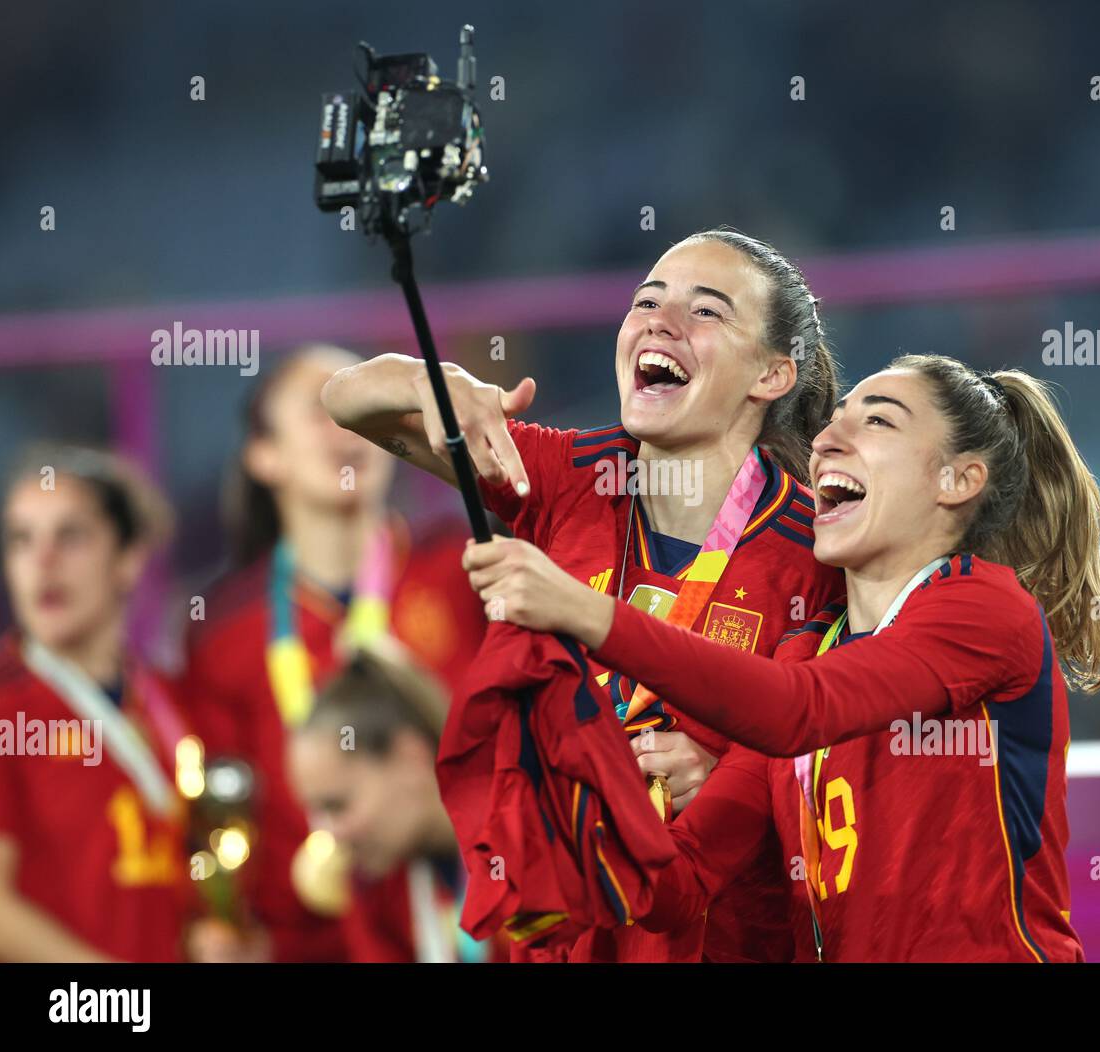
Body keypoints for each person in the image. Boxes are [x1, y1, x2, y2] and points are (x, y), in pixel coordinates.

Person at [463, 354, 1100, 962]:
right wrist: (573, 841)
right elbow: (683, 882)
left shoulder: (984, 608)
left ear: (958, 479)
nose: (826, 441)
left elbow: (796, 711)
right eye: (833, 421)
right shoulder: (806, 647)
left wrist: (581, 609)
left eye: (878, 421)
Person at [322, 228, 844, 962]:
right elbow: (348, 402)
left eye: (707, 312)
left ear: (772, 376)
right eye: (647, 301)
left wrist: (737, 778)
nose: (660, 322)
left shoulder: (816, 550)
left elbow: (844, 753)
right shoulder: (568, 478)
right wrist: (427, 381)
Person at [180, 344, 486, 962]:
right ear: (263, 455)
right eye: (322, 412)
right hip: (315, 947)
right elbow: (219, 820)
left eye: (364, 413)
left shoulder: (466, 567)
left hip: (484, 924)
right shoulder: (223, 636)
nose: (347, 430)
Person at [0, 445, 192, 961]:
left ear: (128, 559)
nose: (43, 560)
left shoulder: (171, 701)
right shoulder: (5, 708)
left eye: (71, 535)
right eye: (21, 540)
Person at [288, 638, 497, 962]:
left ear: (411, 758)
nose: (331, 834)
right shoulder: (375, 889)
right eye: (317, 811)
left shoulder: (536, 834)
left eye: (338, 805)